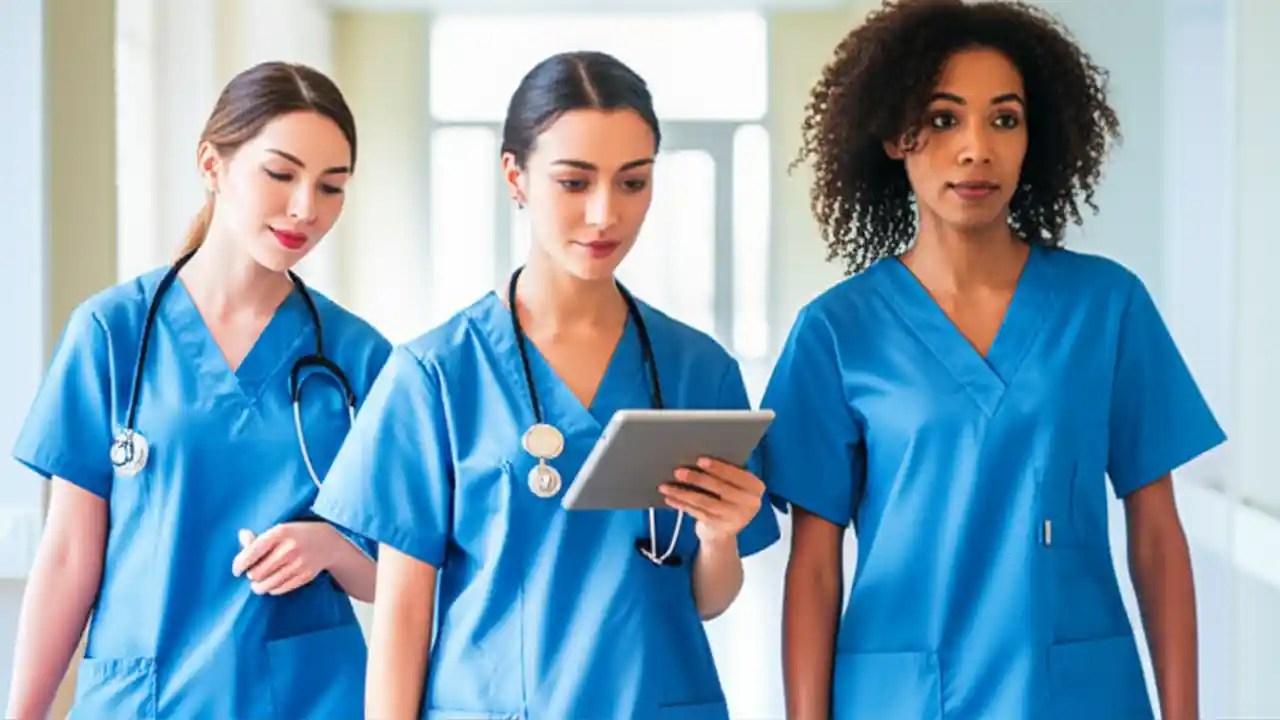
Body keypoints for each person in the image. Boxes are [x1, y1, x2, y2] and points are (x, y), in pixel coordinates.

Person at [762, 2, 1225, 719]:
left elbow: (1158, 535)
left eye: (1004, 119)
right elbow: (815, 568)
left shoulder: (1106, 307)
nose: (976, 147)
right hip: (902, 697)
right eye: (944, 118)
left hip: (1078, 693)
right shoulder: (836, 331)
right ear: (893, 135)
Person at [312, 50, 780, 720]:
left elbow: (706, 599)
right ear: (516, 176)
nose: (603, 215)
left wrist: (720, 534)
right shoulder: (437, 375)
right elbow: (403, 618)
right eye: (574, 182)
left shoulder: (698, 371)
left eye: (632, 182)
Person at [6, 61, 390, 719]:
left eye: (332, 187)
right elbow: (70, 556)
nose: (307, 207)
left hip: (308, 697)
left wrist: (329, 547)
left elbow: (403, 573)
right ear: (212, 165)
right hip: (146, 695)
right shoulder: (113, 332)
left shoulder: (358, 357)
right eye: (281, 174)